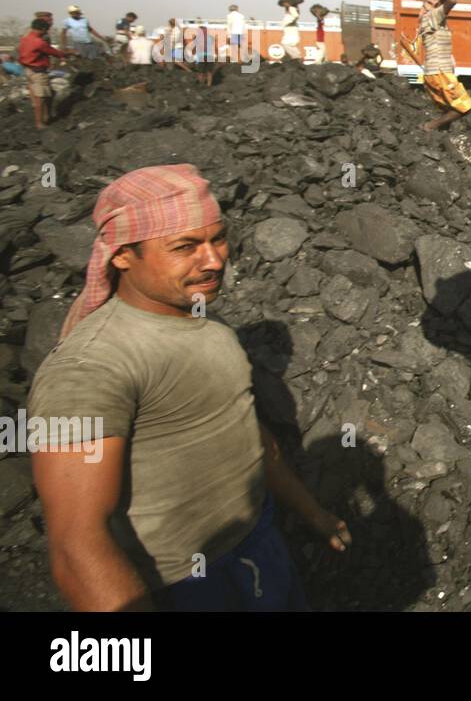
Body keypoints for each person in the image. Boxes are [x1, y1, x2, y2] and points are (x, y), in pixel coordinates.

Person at [27, 165, 351, 611]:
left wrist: (312, 512)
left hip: (259, 541)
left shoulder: (204, 322)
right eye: (185, 247)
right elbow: (76, 545)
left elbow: (245, 431)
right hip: (184, 583)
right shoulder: (90, 368)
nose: (215, 260)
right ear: (122, 255)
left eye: (217, 238)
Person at [409, 0, 471, 131]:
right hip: (440, 72)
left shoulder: (429, 16)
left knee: (449, 111)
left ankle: (440, 137)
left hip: (435, 72)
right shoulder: (432, 15)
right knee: (465, 106)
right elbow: (452, 0)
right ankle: (429, 126)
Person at [18, 17, 68, 129]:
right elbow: (54, 52)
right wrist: (66, 53)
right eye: (46, 29)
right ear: (42, 29)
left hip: (28, 70)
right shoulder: (39, 42)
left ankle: (46, 117)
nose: (46, 32)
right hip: (38, 72)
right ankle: (39, 123)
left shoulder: (25, 39)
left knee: (45, 94)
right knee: (39, 98)